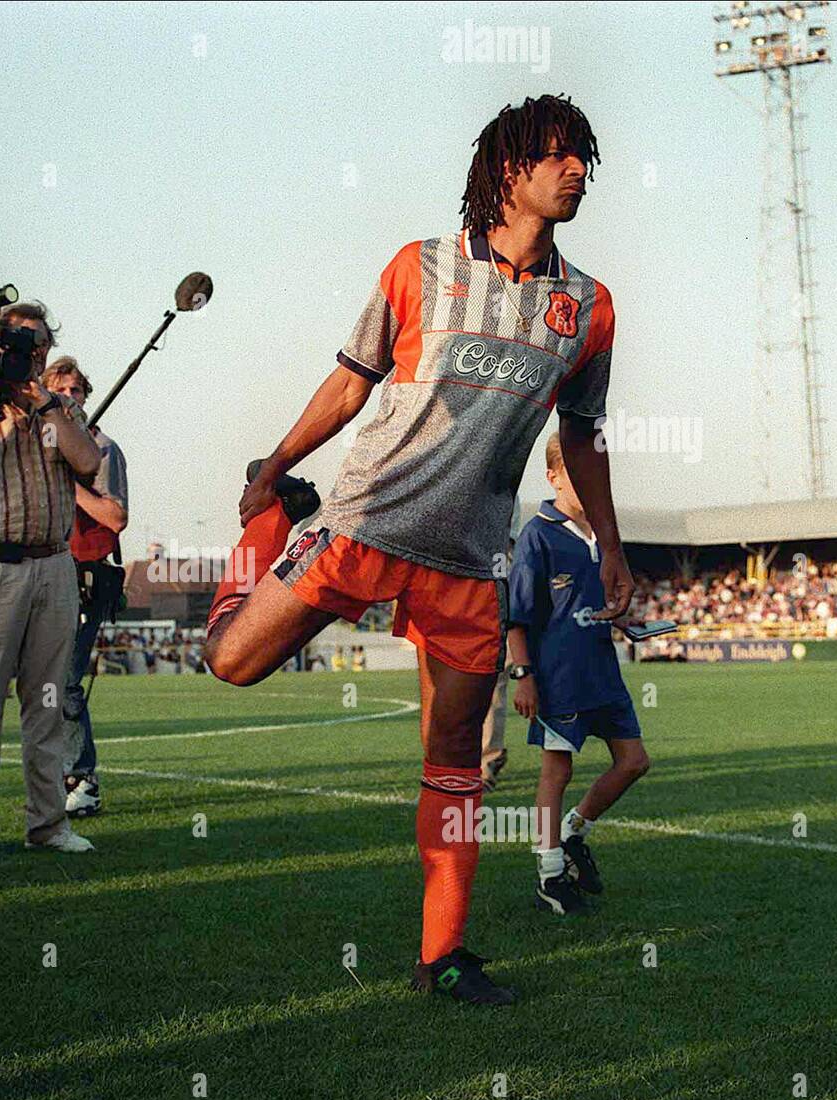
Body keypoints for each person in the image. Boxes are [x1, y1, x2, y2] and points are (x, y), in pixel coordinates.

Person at [204, 95, 631, 1006]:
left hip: (472, 557)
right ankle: (270, 528)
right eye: (559, 157)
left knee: (454, 762)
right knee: (231, 662)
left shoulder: (588, 308)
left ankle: (443, 955)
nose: (577, 173)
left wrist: (613, 542)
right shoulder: (421, 267)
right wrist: (278, 465)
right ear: (509, 170)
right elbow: (350, 384)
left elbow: (585, 437)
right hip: (363, 521)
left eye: (583, 161)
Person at [0, 302, 102, 859]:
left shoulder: (58, 410)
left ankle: (49, 823)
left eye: (36, 346)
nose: (26, 356)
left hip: (53, 563)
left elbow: (87, 464)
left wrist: (47, 405)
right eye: (16, 344)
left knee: (48, 703)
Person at [507, 433, 651, 915]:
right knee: (558, 770)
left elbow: (600, 596)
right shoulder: (538, 534)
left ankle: (573, 832)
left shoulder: (606, 534)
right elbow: (517, 616)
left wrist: (621, 616)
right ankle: (549, 874)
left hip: (604, 672)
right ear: (552, 476)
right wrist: (523, 674)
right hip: (558, 676)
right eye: (574, 470)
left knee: (633, 762)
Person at [41, 357, 129, 820]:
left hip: (84, 575)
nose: (69, 398)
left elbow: (115, 516)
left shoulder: (103, 448)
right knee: (39, 684)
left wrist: (68, 485)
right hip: (41, 572)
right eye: (59, 391)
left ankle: (81, 779)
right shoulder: (35, 446)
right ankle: (52, 778)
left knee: (66, 682)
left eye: (76, 391)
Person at [480, 496, 523, 792]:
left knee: (493, 683)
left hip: (492, 572)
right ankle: (480, 759)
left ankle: (487, 761)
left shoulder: (507, 482)